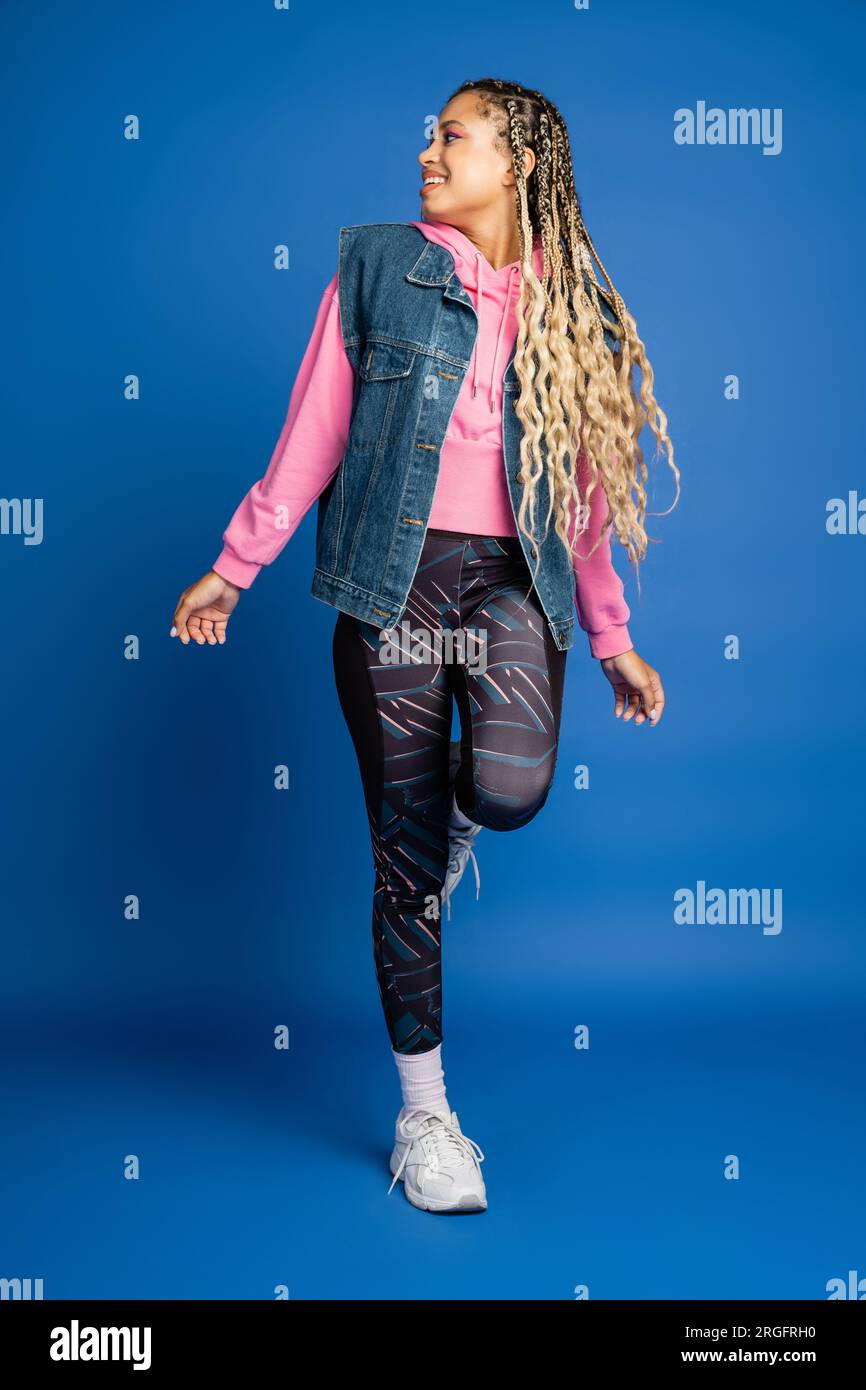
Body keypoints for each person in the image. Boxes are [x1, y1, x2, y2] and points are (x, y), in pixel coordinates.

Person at [170, 77, 680, 1215]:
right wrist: (234, 565)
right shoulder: (374, 268)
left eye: (451, 136)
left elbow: (583, 493)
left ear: (518, 161)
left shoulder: (573, 305)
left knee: (507, 789)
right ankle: (426, 1118)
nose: (427, 152)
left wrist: (610, 638)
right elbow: (312, 432)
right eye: (427, 135)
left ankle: (457, 824)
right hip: (388, 587)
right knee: (403, 871)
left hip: (509, 588)